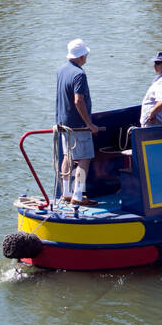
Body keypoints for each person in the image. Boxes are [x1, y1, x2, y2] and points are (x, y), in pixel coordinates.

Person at [56, 38, 99, 207]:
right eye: (86, 54)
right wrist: (89, 123)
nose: (87, 57)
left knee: (67, 156)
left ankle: (66, 192)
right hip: (78, 126)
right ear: (81, 56)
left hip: (63, 123)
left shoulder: (62, 70)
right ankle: (78, 195)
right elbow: (78, 100)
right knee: (84, 159)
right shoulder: (79, 74)